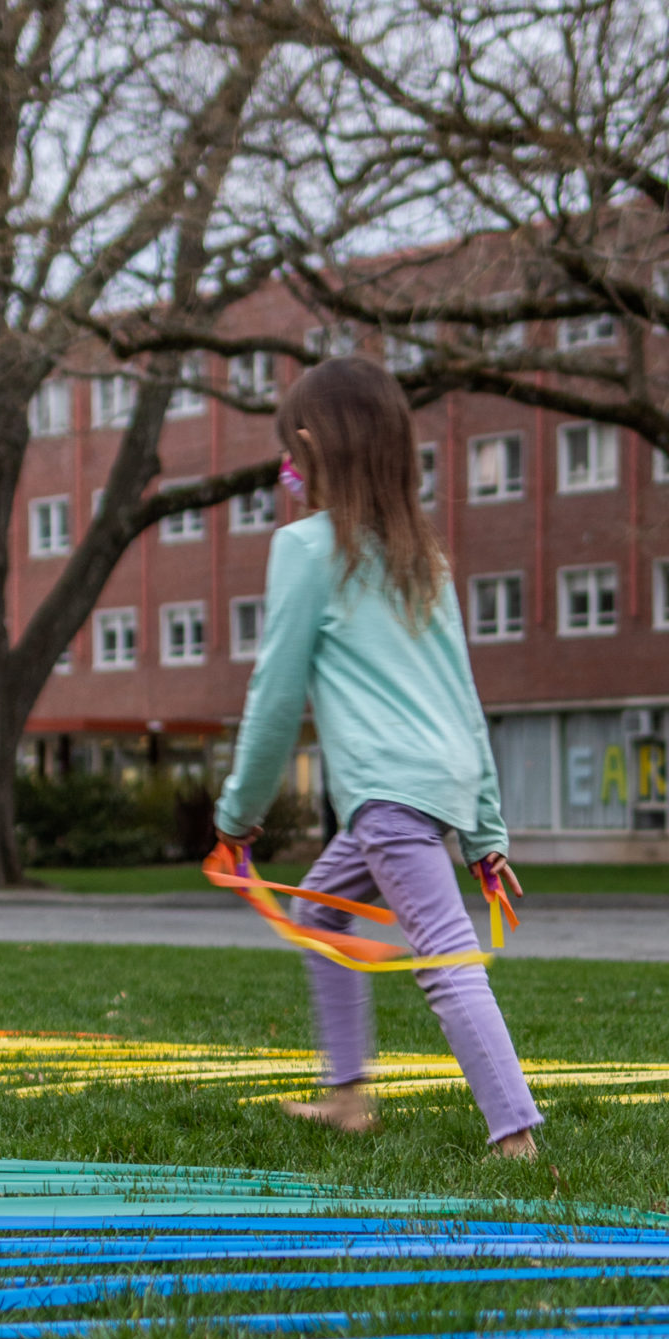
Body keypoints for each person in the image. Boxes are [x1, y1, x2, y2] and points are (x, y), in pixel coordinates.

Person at [213, 355, 542, 1158]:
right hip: (429, 787)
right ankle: (349, 1097)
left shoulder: (305, 548)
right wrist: (486, 832)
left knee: (443, 954)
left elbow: (274, 697)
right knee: (320, 909)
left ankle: (516, 1134)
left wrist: (236, 817)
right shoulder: (420, 556)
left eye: (287, 458)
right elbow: (464, 699)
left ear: (305, 446)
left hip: (389, 795)